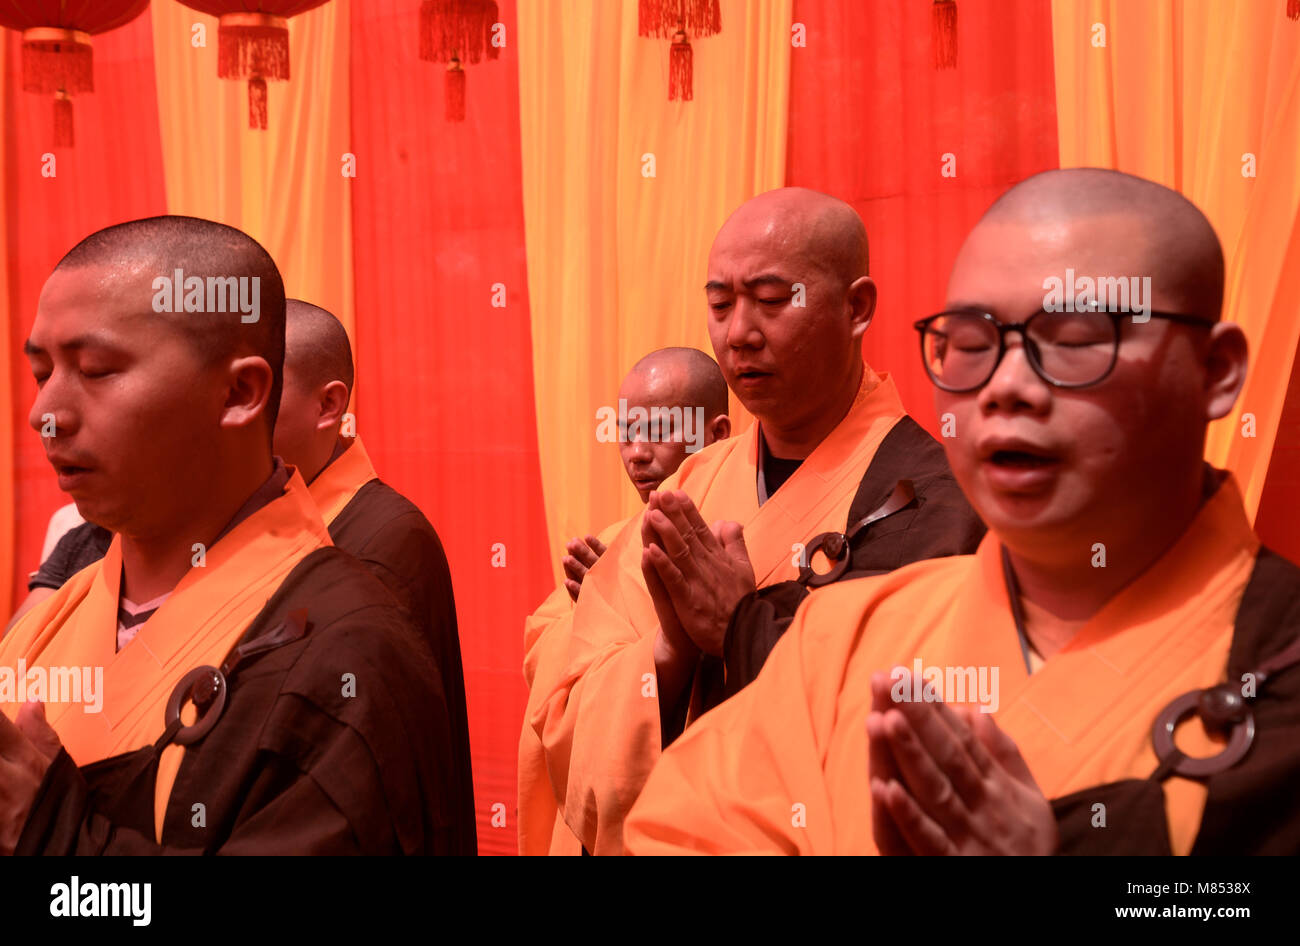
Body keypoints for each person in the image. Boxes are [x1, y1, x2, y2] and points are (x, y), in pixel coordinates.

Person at [625, 168, 1300, 856]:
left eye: (1072, 337)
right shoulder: (844, 635)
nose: (1006, 387)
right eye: (973, 345)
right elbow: (679, 830)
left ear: (1216, 372)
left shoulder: (1280, 662)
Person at [528, 187, 984, 854]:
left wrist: (742, 624)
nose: (738, 332)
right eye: (719, 305)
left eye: (772, 301)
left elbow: (909, 734)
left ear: (856, 308)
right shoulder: (694, 483)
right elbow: (571, 692)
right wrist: (670, 650)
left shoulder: (936, 502)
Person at [0, 216, 454, 854]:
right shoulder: (59, 612)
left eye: (96, 369)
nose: (45, 414)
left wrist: (49, 834)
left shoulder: (349, 655)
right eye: (42, 372)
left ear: (239, 392)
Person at [273, 298, 476, 854]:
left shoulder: (386, 539)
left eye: (259, 389)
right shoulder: (267, 520)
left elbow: (367, 759)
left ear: (328, 404)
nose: (232, 412)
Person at [519, 347, 730, 855]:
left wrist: (645, 622)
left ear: (717, 436)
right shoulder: (610, 549)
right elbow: (542, 661)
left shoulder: (741, 541)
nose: (637, 452)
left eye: (658, 430)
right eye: (626, 431)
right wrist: (601, 606)